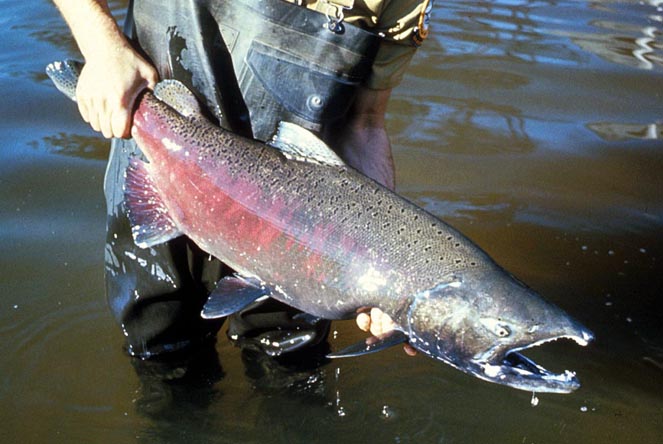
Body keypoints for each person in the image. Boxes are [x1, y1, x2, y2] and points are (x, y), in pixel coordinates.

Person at [52, 0, 430, 362]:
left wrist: (386, 266)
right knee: (163, 349)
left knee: (289, 369)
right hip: (166, 155)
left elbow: (364, 123)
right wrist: (100, 45)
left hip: (297, 229)